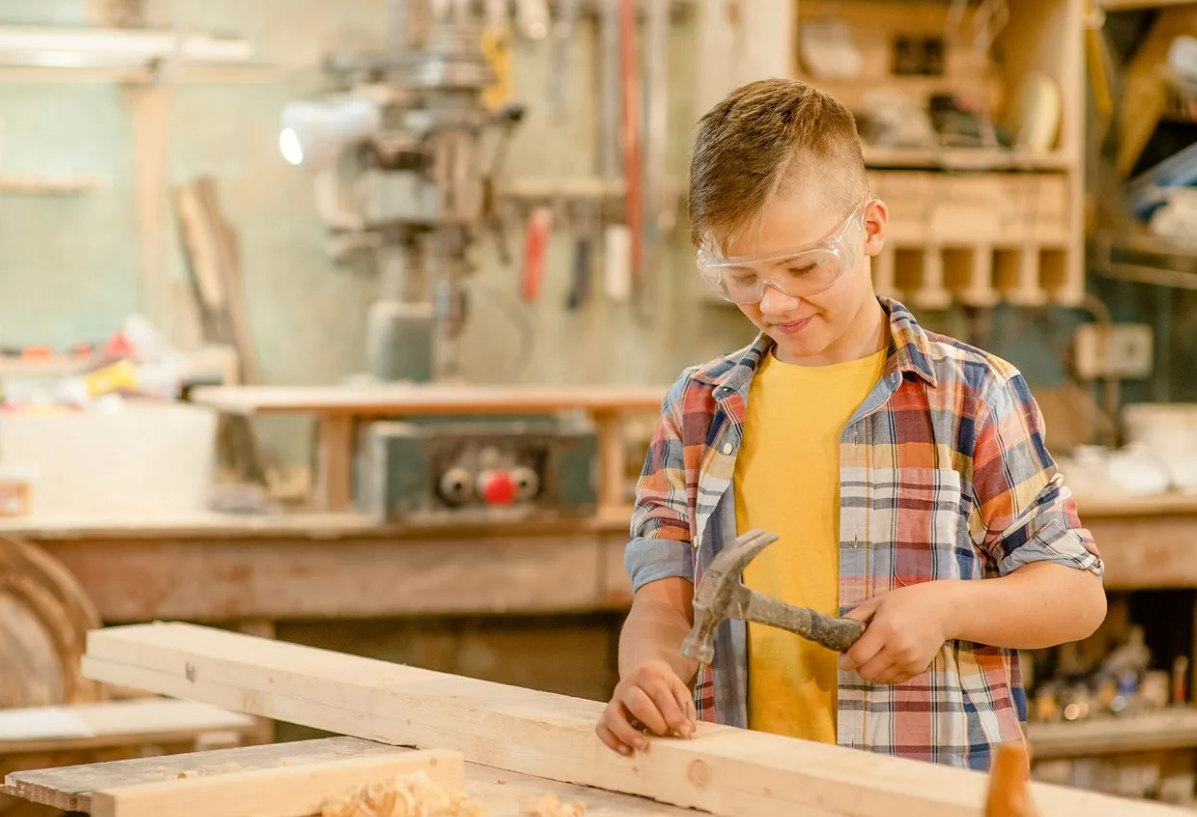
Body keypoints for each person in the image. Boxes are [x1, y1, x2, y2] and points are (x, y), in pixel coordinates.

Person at [595, 78, 1106, 771]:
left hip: (926, 792)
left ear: (868, 227)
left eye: (804, 266)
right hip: (746, 785)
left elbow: (1076, 593)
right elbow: (662, 607)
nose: (773, 302)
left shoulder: (971, 395)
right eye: (739, 275)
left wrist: (944, 609)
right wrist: (649, 673)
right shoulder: (697, 407)